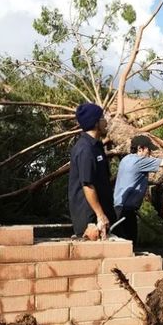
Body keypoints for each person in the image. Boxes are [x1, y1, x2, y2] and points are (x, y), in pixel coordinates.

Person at [68, 102, 114, 239]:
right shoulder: (85, 149)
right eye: (102, 119)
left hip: (100, 215)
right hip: (91, 219)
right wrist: (100, 215)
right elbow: (87, 184)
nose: (106, 122)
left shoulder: (96, 146)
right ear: (95, 123)